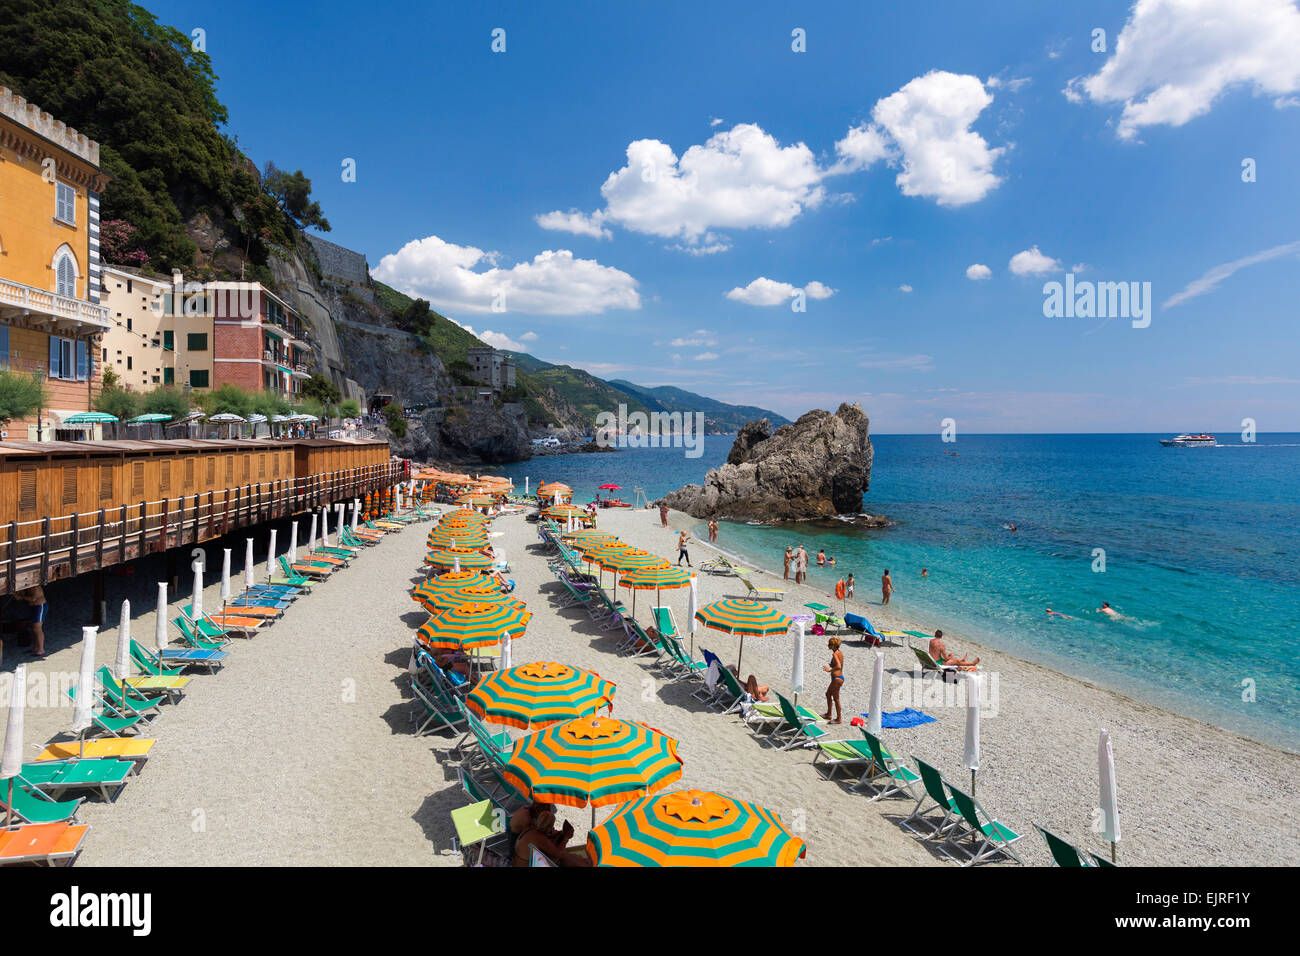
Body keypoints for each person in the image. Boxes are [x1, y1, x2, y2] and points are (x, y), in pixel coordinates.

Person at [511, 802, 589, 867]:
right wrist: (566, 837)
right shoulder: (539, 837)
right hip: (529, 864)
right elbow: (558, 854)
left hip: (519, 862)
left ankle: (582, 862)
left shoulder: (530, 829)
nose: (552, 829)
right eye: (551, 827)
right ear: (548, 827)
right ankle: (585, 864)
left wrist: (561, 834)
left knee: (562, 853)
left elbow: (547, 839)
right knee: (563, 855)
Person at [18, 585, 47, 658]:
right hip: (34, 607)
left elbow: (33, 598)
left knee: (37, 628)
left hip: (40, 606)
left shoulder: (34, 586)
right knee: (34, 628)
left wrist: (22, 597)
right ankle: (36, 648)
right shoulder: (26, 586)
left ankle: (41, 650)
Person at [822, 637, 844, 723]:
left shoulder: (835, 654)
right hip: (838, 678)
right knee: (828, 694)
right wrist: (832, 665)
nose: (828, 646)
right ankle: (829, 714)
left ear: (834, 645)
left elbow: (838, 666)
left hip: (837, 679)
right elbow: (839, 665)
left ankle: (838, 718)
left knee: (836, 698)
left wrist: (829, 670)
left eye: (830, 644)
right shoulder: (839, 653)